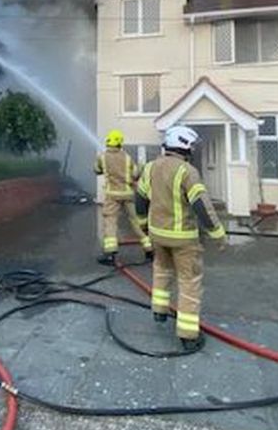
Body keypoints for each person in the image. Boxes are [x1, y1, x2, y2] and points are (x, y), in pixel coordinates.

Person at [135, 125, 226, 352]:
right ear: (185, 146)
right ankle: (187, 335)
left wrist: (144, 226)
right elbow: (202, 206)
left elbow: (140, 200)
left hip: (157, 235)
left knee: (162, 270)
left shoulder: (150, 168)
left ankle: (159, 310)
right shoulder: (187, 171)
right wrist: (218, 234)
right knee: (189, 282)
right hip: (183, 239)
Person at [95, 129, 152, 266]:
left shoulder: (102, 157)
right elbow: (136, 173)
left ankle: (110, 254)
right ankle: (150, 250)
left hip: (112, 195)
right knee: (136, 222)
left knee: (110, 222)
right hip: (128, 194)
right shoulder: (127, 157)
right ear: (120, 143)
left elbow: (97, 170)